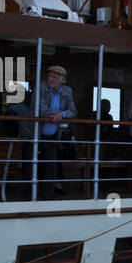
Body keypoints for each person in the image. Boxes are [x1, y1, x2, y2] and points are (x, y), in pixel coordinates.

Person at [36, 64, 78, 199]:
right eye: (50, 76)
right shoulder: (41, 87)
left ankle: (46, 198)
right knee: (30, 167)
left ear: (63, 80)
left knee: (51, 168)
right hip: (35, 133)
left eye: (55, 77)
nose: (51, 79)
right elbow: (42, 111)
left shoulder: (67, 91)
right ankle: (28, 198)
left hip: (53, 135)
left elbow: (73, 111)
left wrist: (63, 115)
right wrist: (61, 114)